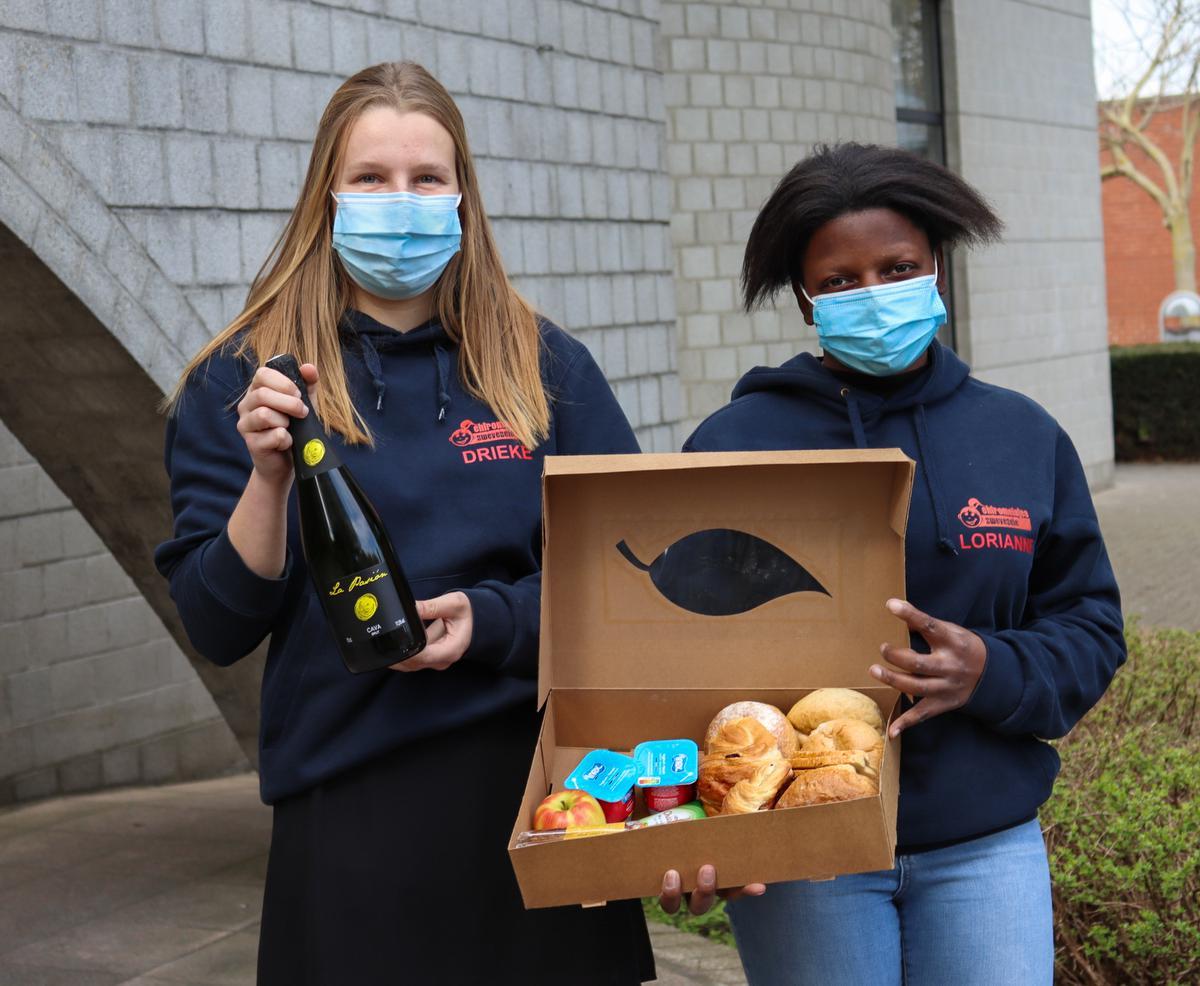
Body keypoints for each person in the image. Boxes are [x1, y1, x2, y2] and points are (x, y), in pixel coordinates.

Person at [154, 62, 655, 985]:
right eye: (373, 178)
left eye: (427, 178)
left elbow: (631, 587)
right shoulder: (245, 380)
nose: (403, 200)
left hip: (547, 802)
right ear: (326, 196)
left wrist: (492, 622)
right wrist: (267, 481)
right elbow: (217, 625)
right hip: (351, 822)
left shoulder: (546, 368)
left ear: (462, 196)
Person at [677, 143, 1126, 985]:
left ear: (938, 274)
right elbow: (675, 650)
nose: (874, 294)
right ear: (806, 303)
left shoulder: (1021, 437)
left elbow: (1091, 625)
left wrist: (991, 666)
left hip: (983, 847)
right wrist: (700, 824)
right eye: (841, 281)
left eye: (898, 267)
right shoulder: (733, 447)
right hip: (802, 851)